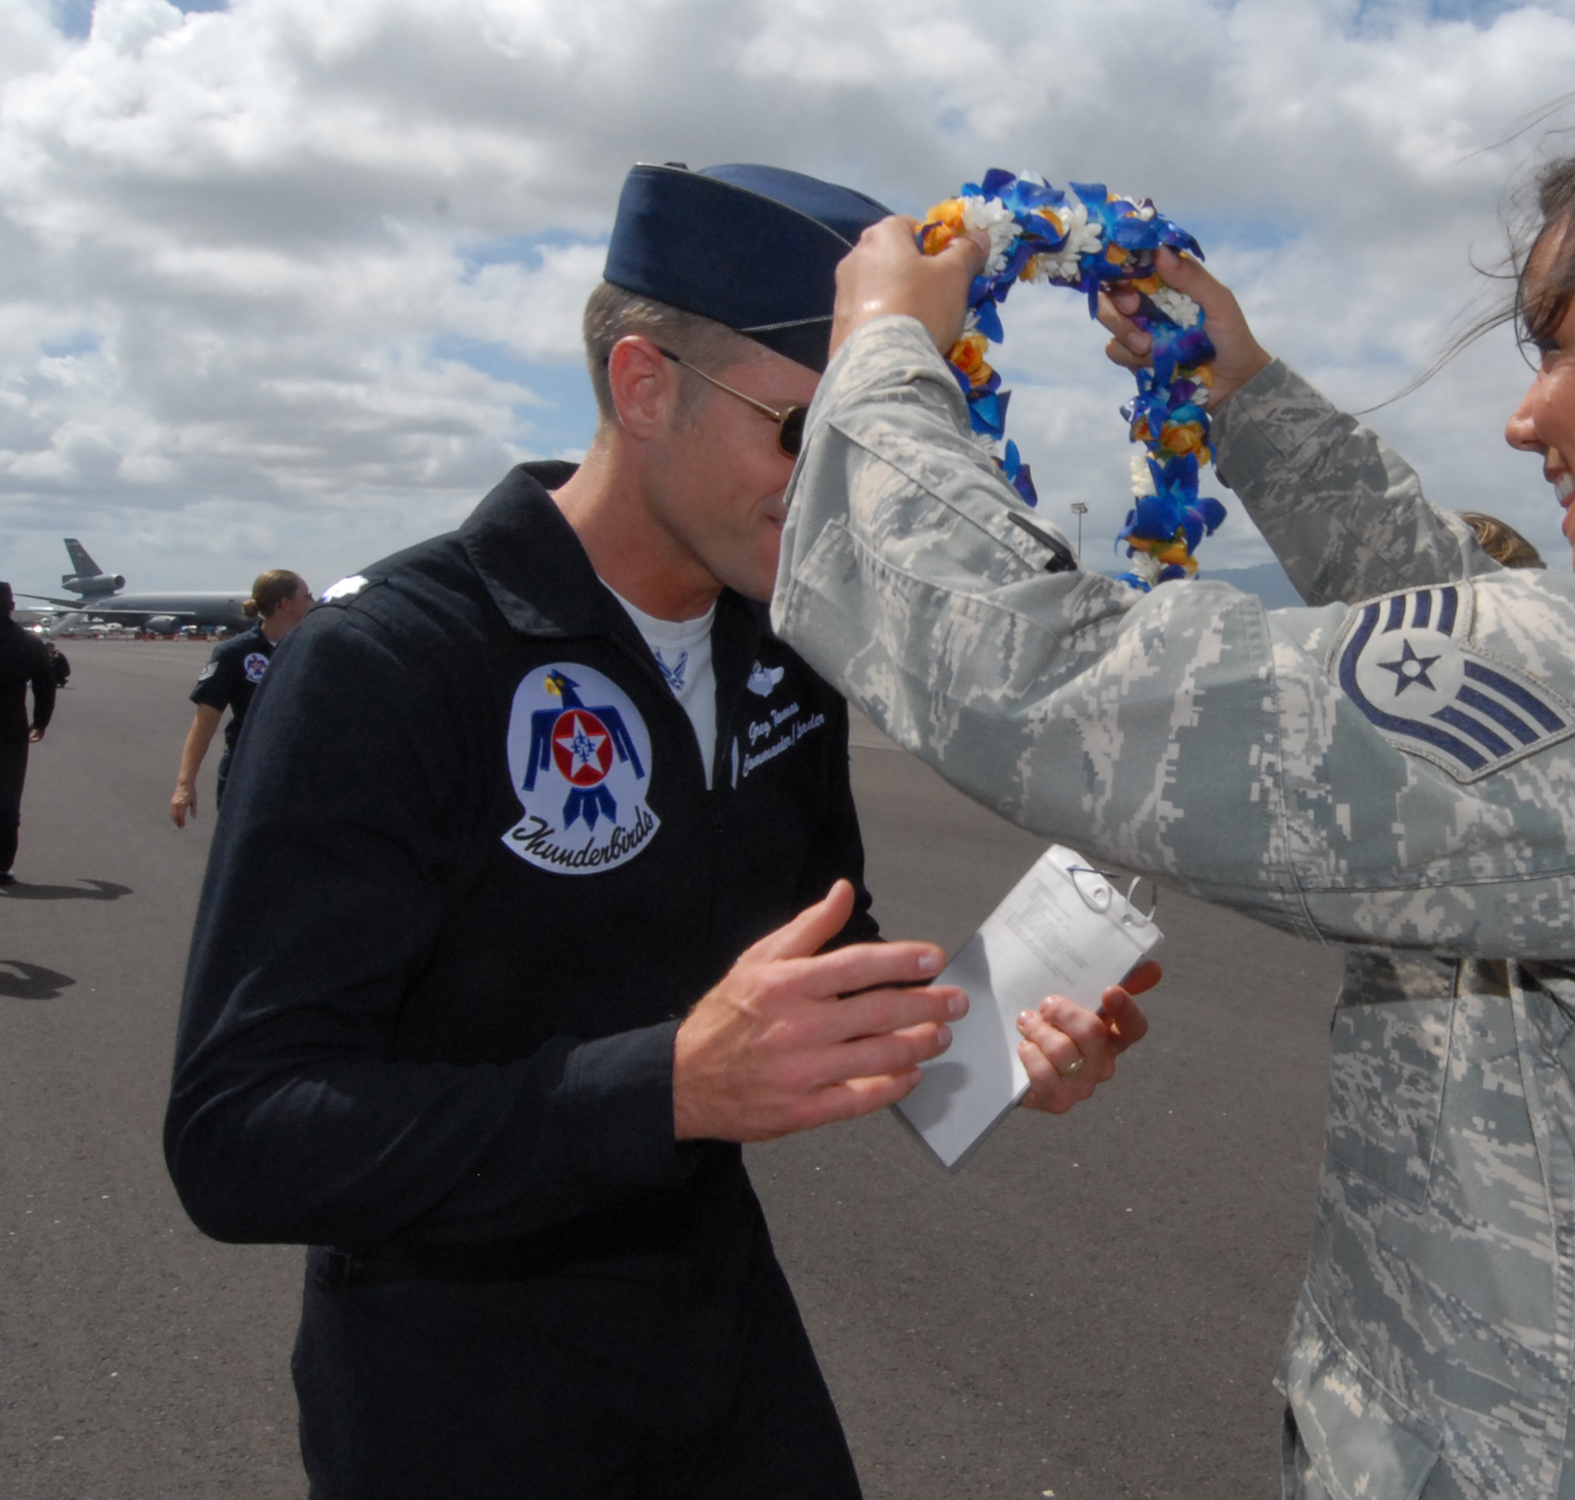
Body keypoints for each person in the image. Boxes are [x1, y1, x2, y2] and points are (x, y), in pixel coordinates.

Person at [775, 68, 1575, 1497]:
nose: (1525, 416)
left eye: (1558, 341)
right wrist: (1240, 398)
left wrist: (885, 354)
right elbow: (1480, 683)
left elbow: (1040, 682)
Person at [165, 163, 1153, 1500]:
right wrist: (666, 1087)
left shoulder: (780, 649)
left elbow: (814, 956)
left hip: (719, 1352)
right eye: (811, 435)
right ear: (644, 385)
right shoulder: (391, 665)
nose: (844, 491)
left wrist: (983, 1044)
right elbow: (240, 1135)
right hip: (457, 1401)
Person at [169, 569, 311, 825]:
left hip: (301, 774)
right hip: (246, 772)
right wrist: (184, 784)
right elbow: (205, 722)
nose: (313, 601)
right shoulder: (234, 653)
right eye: (307, 595)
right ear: (285, 604)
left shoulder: (314, 649)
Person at [0, 582, 58, 885]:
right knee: (7, 798)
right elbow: (45, 686)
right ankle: (1, 865)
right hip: (9, 727)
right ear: (11, 606)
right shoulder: (28, 644)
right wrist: (40, 722)